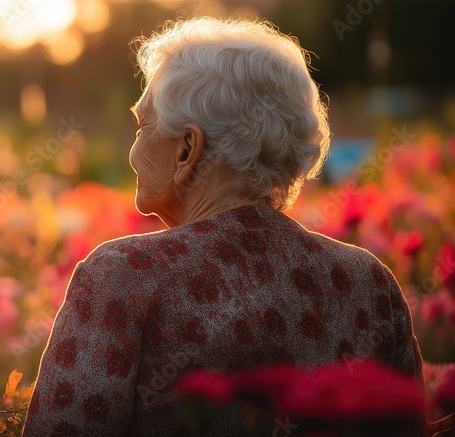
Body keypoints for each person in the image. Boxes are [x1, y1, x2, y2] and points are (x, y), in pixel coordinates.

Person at [23, 17, 424, 436]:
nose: (132, 153)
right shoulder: (369, 283)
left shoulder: (123, 276)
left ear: (188, 150)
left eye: (142, 126)